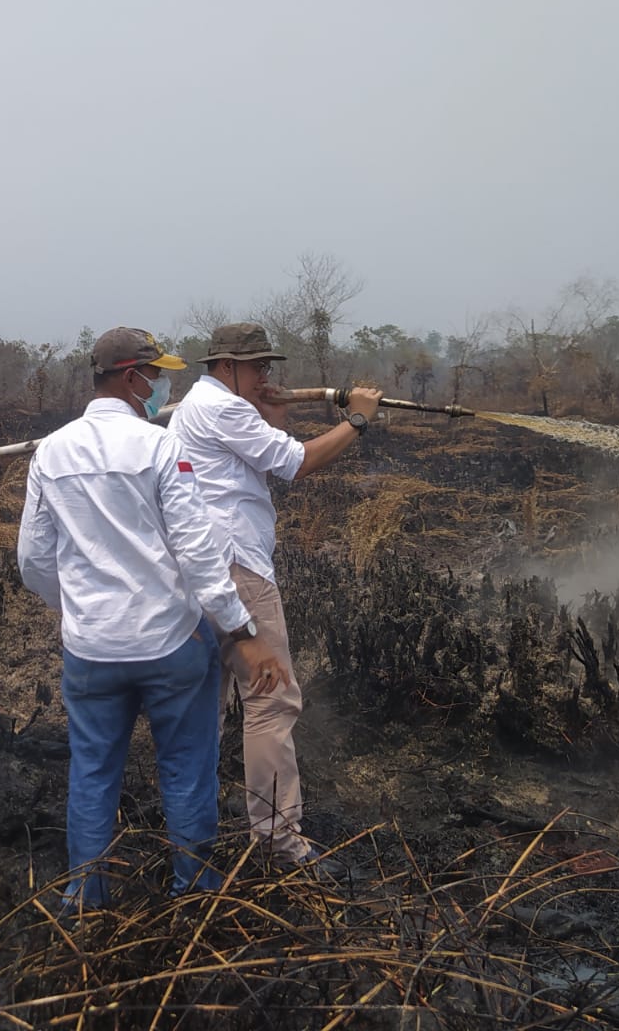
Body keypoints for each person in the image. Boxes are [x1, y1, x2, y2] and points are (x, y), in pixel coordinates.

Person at [17, 326, 290, 911]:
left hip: (91, 652)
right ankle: (191, 889)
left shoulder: (52, 451)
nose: (164, 384)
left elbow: (33, 561)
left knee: (92, 774)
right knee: (187, 772)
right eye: (156, 373)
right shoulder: (159, 447)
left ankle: (85, 898)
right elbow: (197, 552)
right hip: (170, 644)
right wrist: (241, 632)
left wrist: (79, 611)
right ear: (129, 377)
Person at [169, 322, 381, 875]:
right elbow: (298, 464)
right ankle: (280, 842)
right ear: (226, 366)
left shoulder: (203, 405)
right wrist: (357, 419)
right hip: (238, 569)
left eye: (269, 366)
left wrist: (275, 406)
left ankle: (197, 833)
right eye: (258, 366)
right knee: (271, 700)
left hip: (200, 570)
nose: (267, 374)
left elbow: (272, 450)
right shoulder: (226, 410)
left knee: (210, 702)